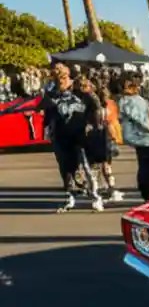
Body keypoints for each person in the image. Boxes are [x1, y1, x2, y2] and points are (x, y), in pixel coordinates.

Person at [42, 64, 103, 212]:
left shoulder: (79, 89)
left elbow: (95, 105)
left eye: (62, 78)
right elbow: (48, 112)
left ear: (67, 76)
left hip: (82, 133)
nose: (60, 83)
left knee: (88, 166)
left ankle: (96, 197)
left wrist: (95, 125)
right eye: (57, 80)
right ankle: (70, 197)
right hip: (61, 134)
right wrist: (47, 129)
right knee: (65, 168)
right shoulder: (52, 93)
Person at [117, 77, 149, 202]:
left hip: (141, 136)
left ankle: (147, 190)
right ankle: (147, 192)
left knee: (145, 165)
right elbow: (142, 120)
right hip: (144, 137)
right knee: (148, 166)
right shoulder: (131, 101)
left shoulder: (126, 100)